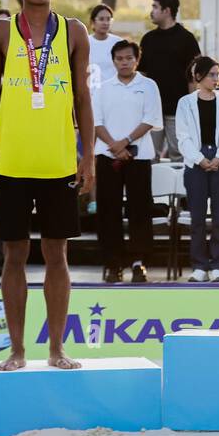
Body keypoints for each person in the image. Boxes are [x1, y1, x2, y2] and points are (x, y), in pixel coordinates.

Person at [0, 0, 96, 371]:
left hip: (59, 163)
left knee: (56, 256)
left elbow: (83, 98)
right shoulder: (0, 33)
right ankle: (16, 349)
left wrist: (88, 159)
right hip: (10, 163)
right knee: (13, 256)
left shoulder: (74, 32)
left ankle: (57, 349)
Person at [93, 40, 161, 283]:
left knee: (139, 209)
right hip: (107, 155)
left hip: (138, 154)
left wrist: (126, 141)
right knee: (108, 210)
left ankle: (138, 262)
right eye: (120, 58)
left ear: (137, 60)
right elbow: (96, 121)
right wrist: (114, 144)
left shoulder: (148, 85)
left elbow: (150, 118)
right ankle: (113, 263)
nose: (124, 62)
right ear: (113, 61)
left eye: (129, 58)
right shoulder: (102, 87)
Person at [176, 56, 219, 282]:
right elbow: (182, 137)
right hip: (196, 162)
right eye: (212, 74)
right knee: (198, 218)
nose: (216, 79)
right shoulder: (185, 103)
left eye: (218, 74)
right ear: (199, 76)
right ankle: (200, 265)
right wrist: (200, 159)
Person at [137, 0, 200, 161]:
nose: (151, 11)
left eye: (155, 7)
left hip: (178, 109)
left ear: (167, 11)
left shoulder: (187, 39)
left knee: (179, 155)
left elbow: (194, 77)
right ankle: (151, 188)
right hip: (152, 110)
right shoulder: (148, 39)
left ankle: (177, 189)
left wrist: (191, 105)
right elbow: (141, 74)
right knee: (149, 155)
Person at [88, 3, 123, 91]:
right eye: (101, 19)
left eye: (108, 19)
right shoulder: (85, 42)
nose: (105, 23)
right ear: (93, 21)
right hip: (92, 93)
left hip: (114, 92)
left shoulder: (119, 43)